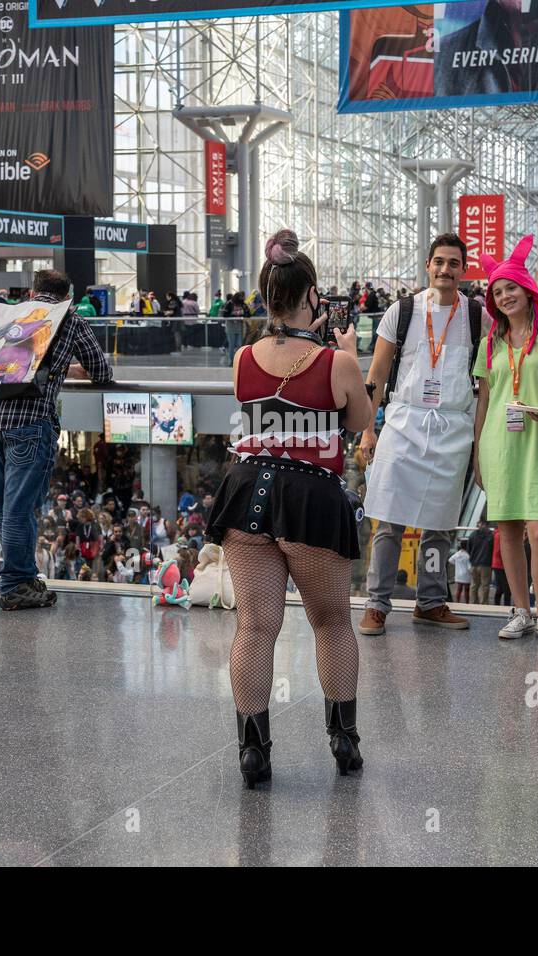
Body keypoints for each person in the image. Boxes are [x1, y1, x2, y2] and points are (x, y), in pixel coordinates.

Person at [204, 227, 372, 788]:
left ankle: (253, 751)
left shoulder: (242, 358)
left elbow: (255, 412)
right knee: (331, 622)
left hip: (245, 493)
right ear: (311, 297)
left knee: (255, 626)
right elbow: (359, 421)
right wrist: (344, 353)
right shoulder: (335, 364)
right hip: (309, 501)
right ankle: (343, 739)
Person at [359, 234, 481, 636]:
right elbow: (376, 376)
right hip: (404, 421)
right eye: (439, 262)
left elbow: (484, 382)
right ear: (428, 265)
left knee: (440, 524)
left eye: (454, 263)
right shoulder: (404, 310)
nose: (446, 269)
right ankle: (377, 602)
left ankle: (430, 602)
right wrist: (367, 429)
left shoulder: (478, 316)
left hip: (452, 428)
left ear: (463, 270)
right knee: (390, 519)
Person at [0, 269, 114, 610]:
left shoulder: (8, 312)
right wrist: (68, 367)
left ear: (31, 292)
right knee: (19, 510)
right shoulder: (69, 321)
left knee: (2, 511)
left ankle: (20, 577)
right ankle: (15, 584)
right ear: (68, 297)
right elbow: (100, 371)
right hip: (29, 424)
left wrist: (57, 368)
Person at [472, 235, 538, 644]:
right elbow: (483, 402)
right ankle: (519, 610)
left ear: (528, 289)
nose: (504, 296)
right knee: (508, 532)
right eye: (497, 292)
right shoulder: (490, 344)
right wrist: (477, 454)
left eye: (511, 288)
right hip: (499, 446)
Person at [466, 518, 493, 604]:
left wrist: (472, 558)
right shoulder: (490, 535)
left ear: (481, 523)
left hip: (474, 563)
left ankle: (474, 602)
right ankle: (484, 603)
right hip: (486, 564)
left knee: (474, 585)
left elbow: (468, 549)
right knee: (485, 585)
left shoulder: (472, 535)